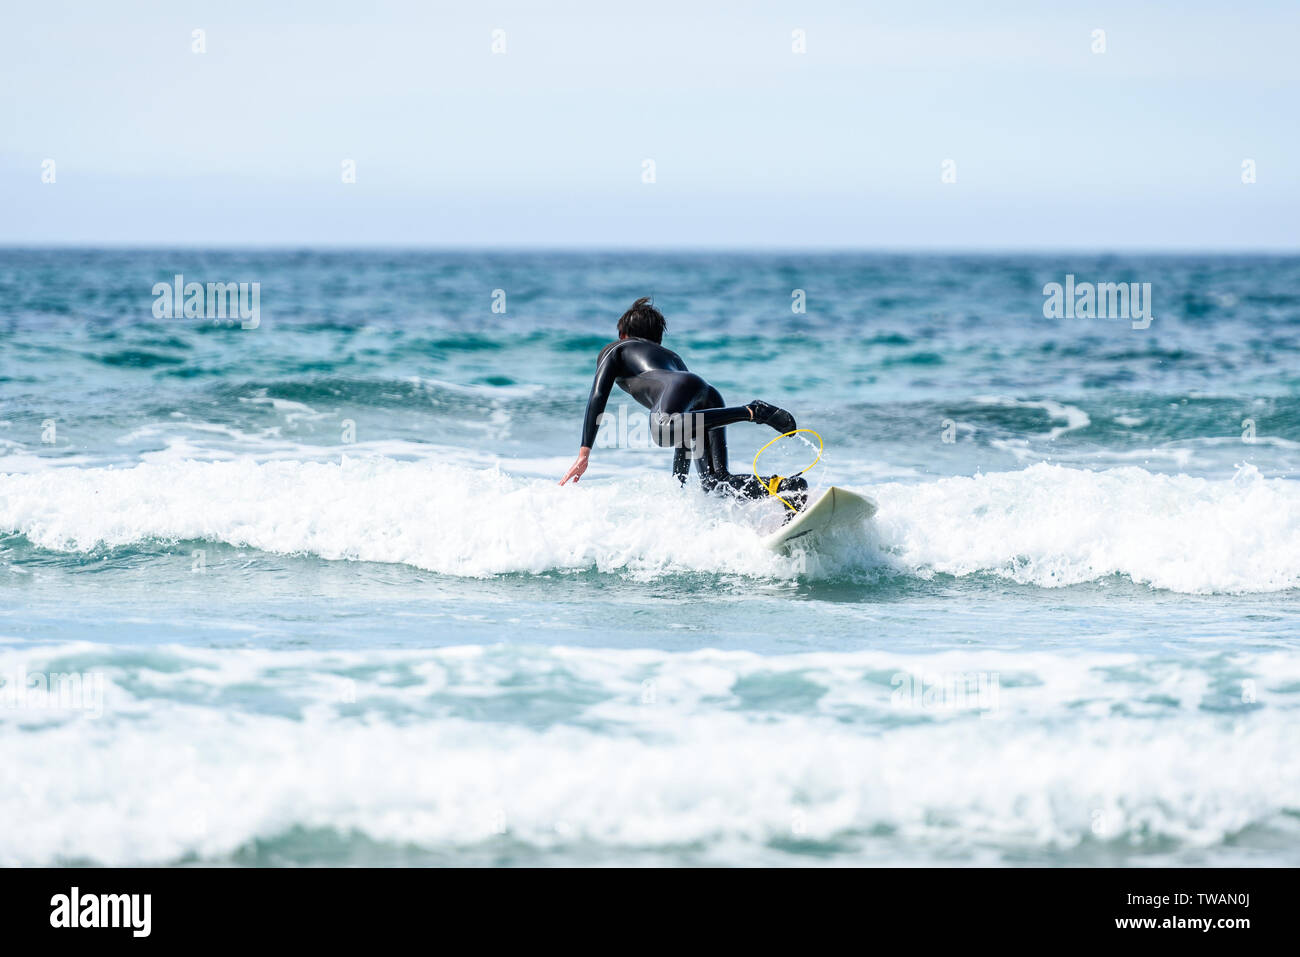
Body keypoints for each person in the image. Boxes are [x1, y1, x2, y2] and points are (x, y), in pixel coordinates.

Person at [559, 297, 808, 506]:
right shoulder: (672, 357)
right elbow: (686, 430)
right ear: (657, 339)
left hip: (683, 392)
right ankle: (787, 488)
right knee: (716, 482)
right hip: (705, 391)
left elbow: (598, 395)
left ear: (623, 334)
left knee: (661, 430)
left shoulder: (616, 349)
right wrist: (678, 481)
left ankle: (753, 411)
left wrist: (584, 453)